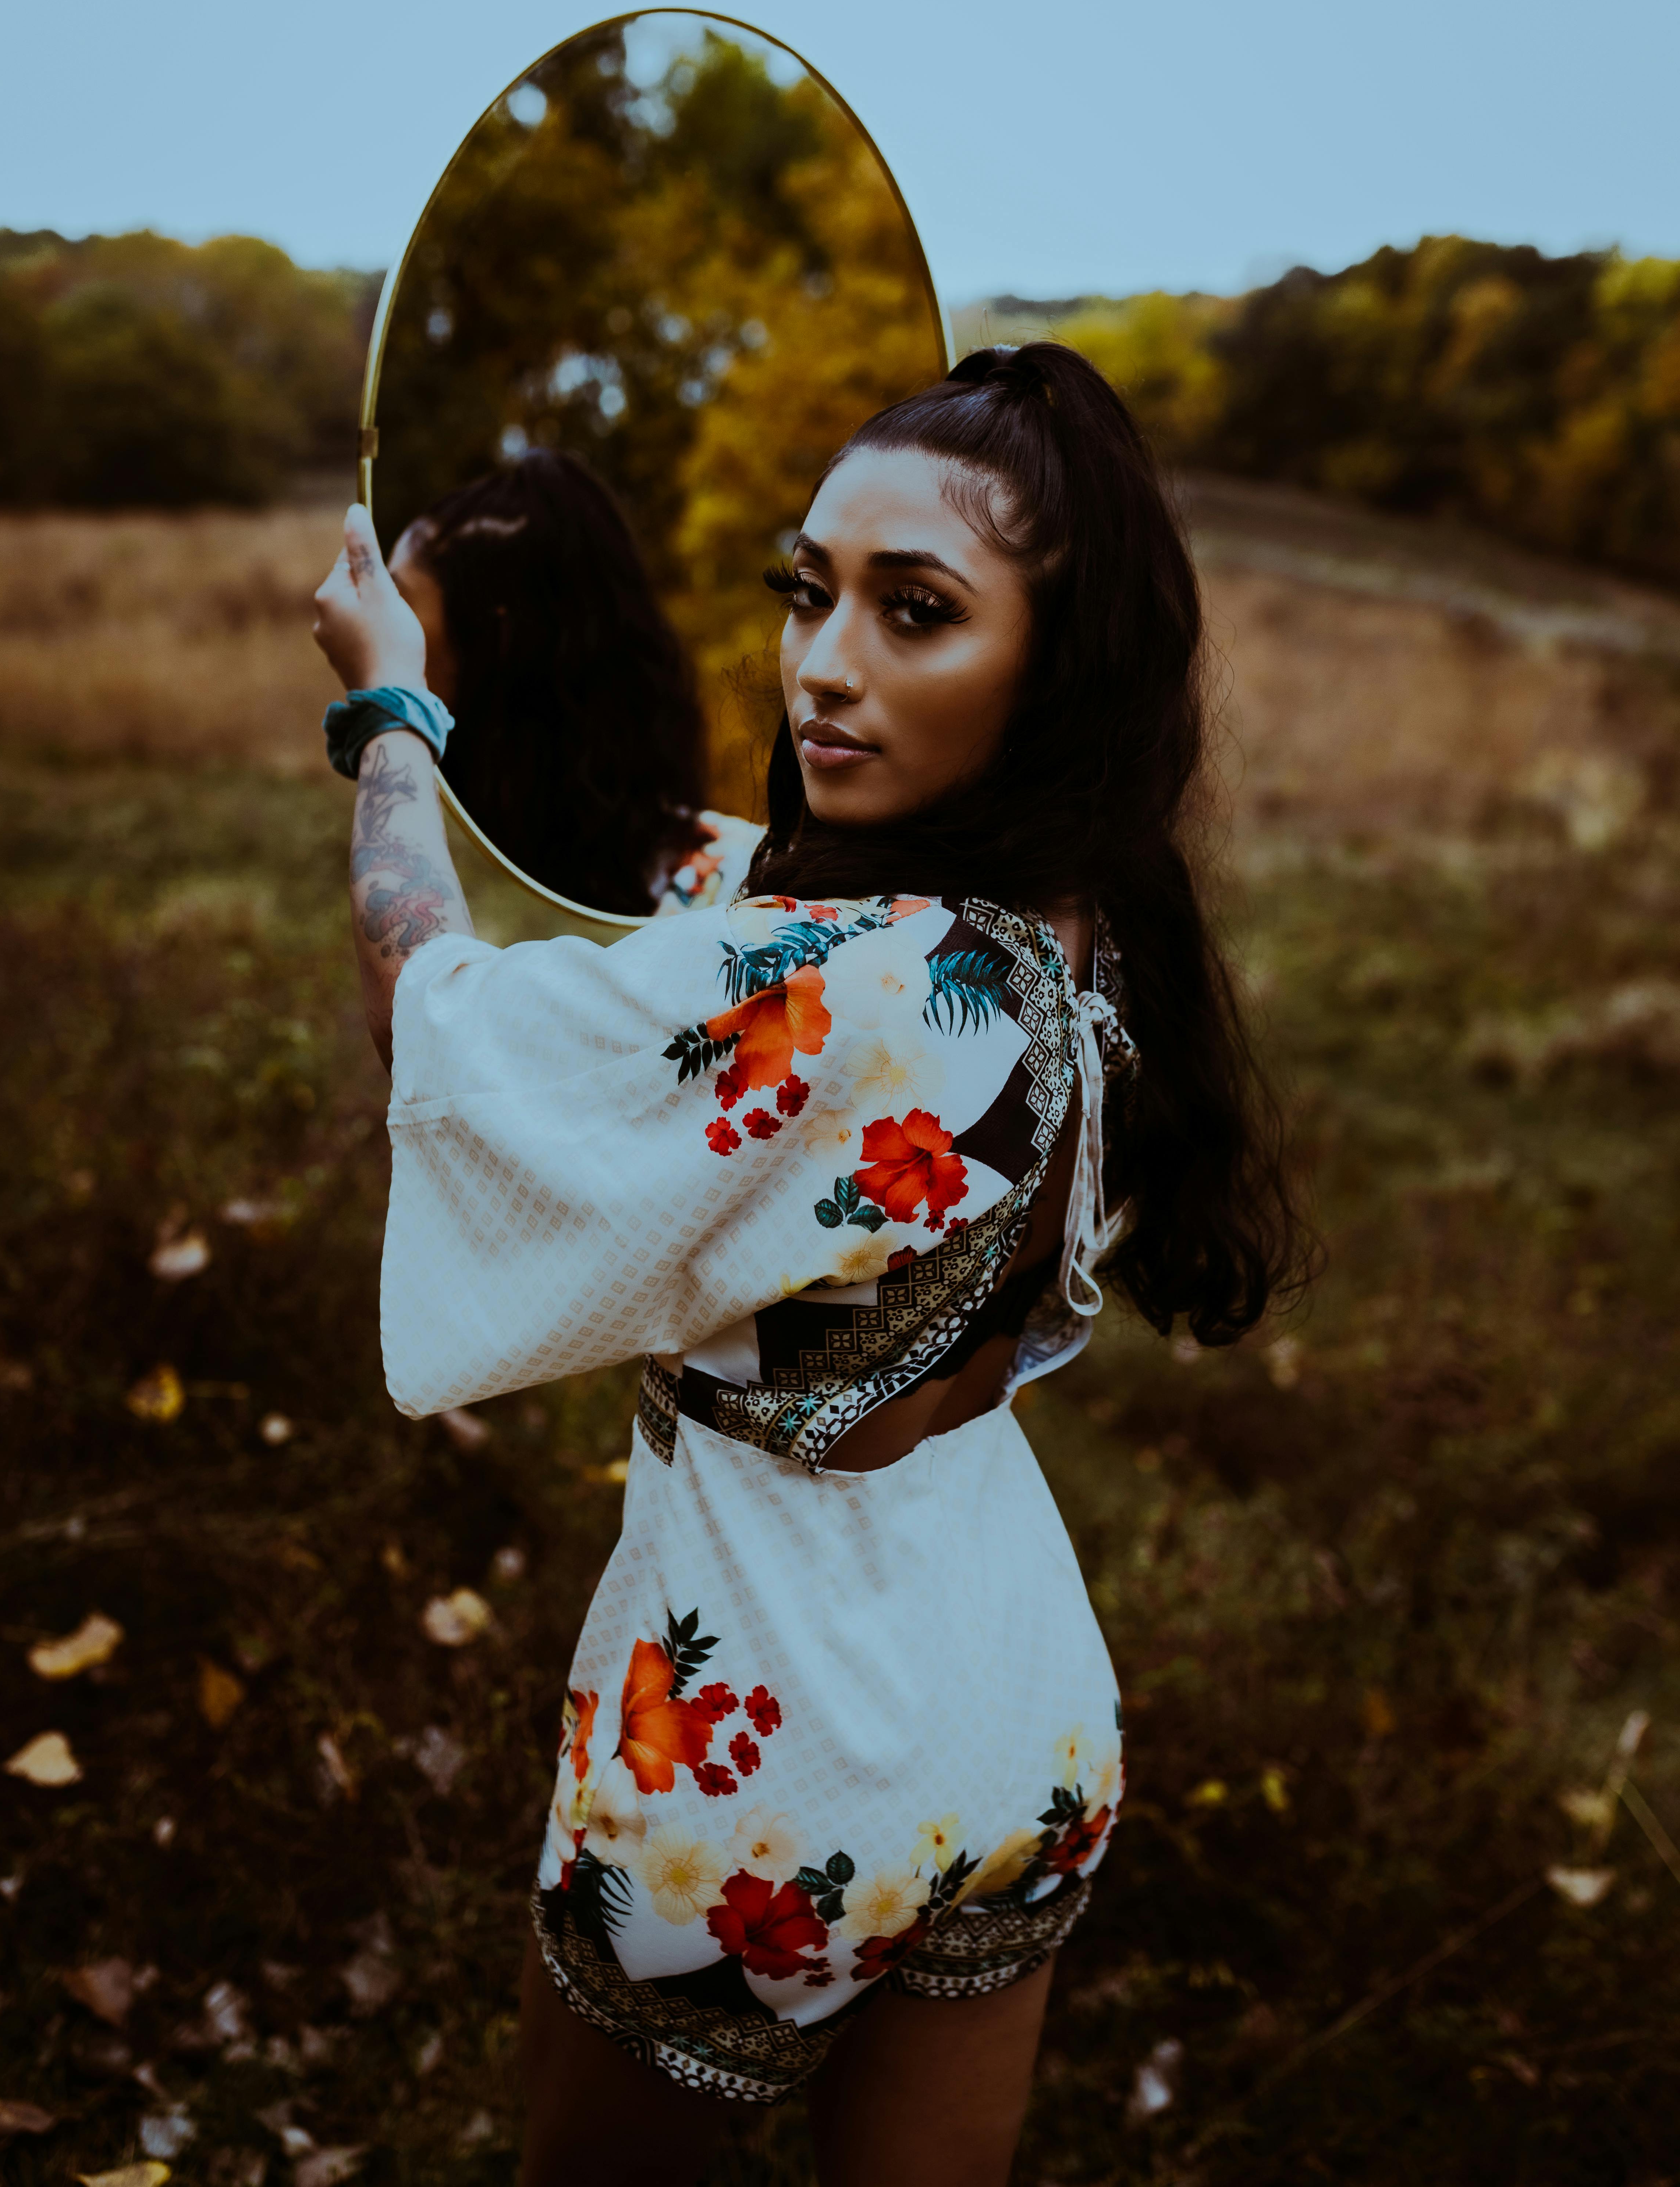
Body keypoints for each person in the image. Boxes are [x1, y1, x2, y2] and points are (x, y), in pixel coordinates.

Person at [312, 343, 1308, 2187]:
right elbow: (710, 886)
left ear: (1053, 662)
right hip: (1020, 1722)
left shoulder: (849, 986)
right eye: (809, 591)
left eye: (913, 612)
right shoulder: (1084, 933)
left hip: (756, 1765)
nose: (824, 662)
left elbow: (435, 1024)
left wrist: (384, 722)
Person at [387, 449, 758, 915]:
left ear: (494, 639)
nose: (379, 627)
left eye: (399, 600)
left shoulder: (743, 891)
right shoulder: (410, 841)